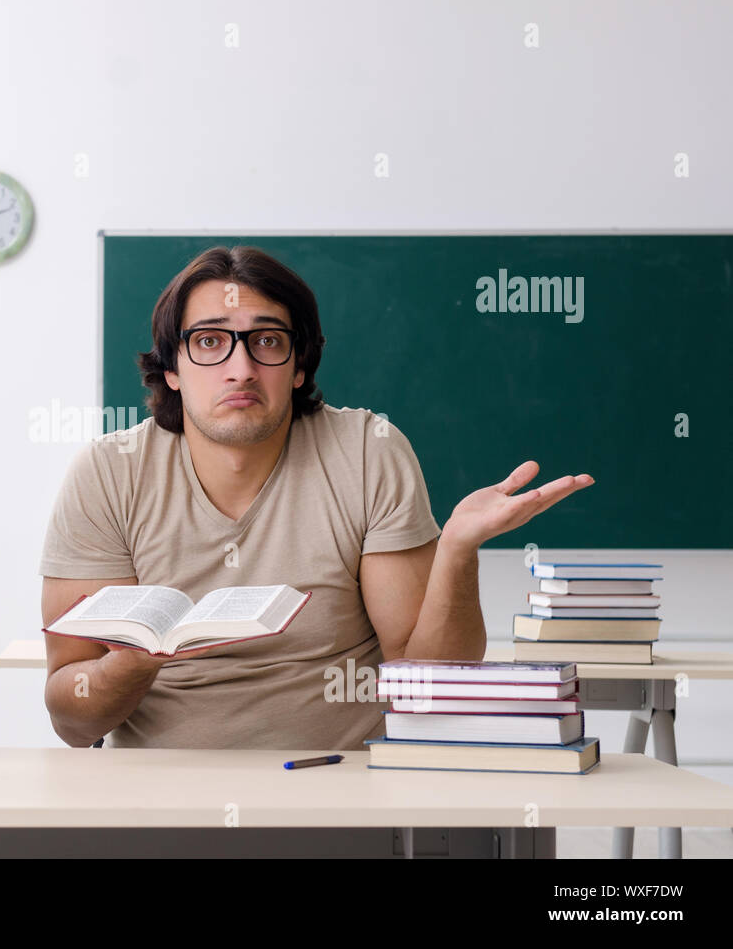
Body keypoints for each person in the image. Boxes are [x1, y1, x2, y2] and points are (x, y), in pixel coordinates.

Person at [39, 246, 592, 749]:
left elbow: (427, 684)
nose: (241, 368)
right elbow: (73, 721)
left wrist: (456, 552)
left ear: (300, 365)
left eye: (268, 341)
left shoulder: (368, 451)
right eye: (210, 341)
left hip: (341, 791)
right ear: (172, 368)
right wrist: (131, 666)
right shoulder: (109, 473)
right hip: (161, 805)